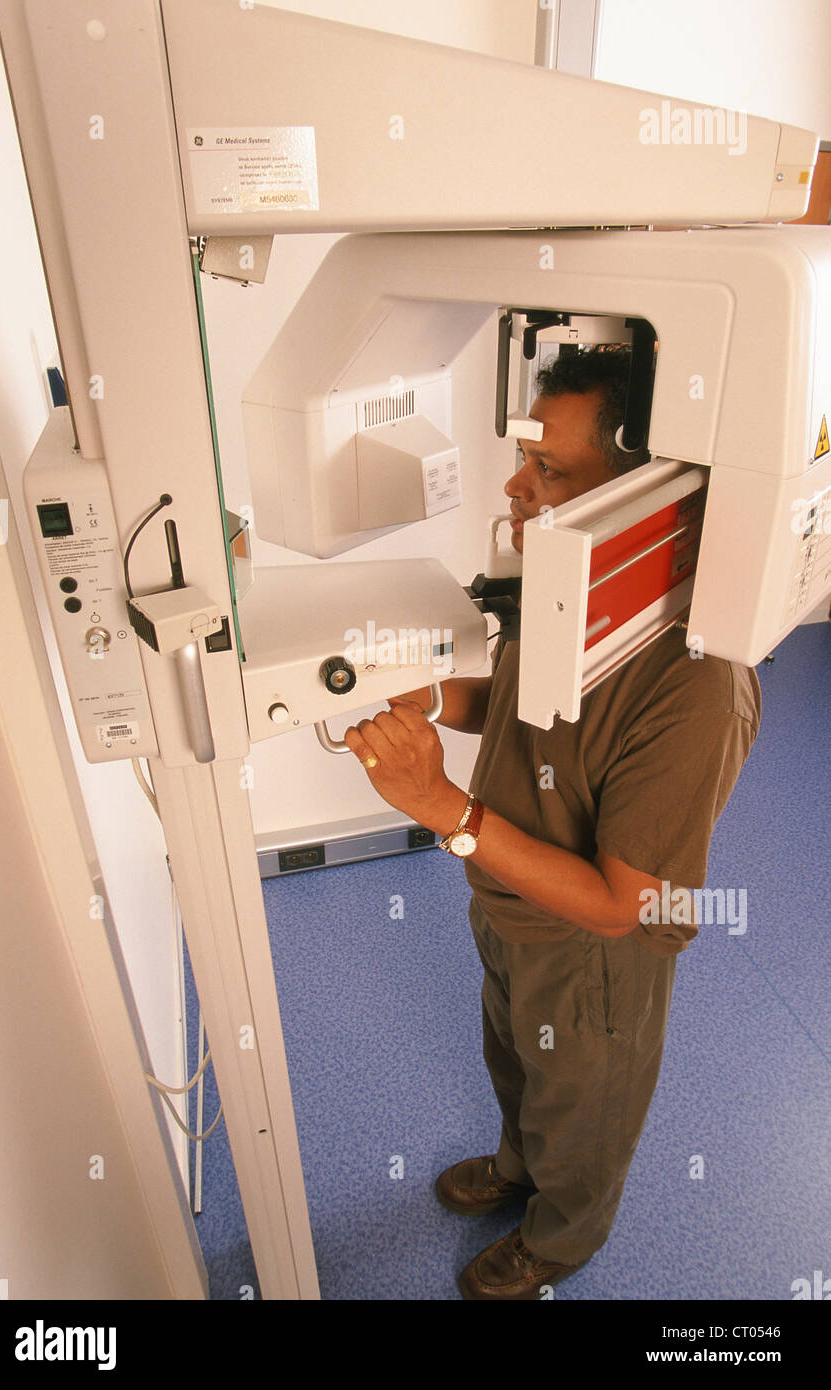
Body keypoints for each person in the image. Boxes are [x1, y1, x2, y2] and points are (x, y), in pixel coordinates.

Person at [343, 346, 761, 1301]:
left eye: (550, 472)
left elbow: (622, 907)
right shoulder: (577, 587)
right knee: (515, 1061)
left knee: (584, 1106)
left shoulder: (697, 685)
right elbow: (527, 703)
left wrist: (444, 809)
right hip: (508, 902)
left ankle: (562, 1236)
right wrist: (437, 694)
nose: (513, 484)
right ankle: (519, 1168)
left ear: (642, 503)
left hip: (590, 957)